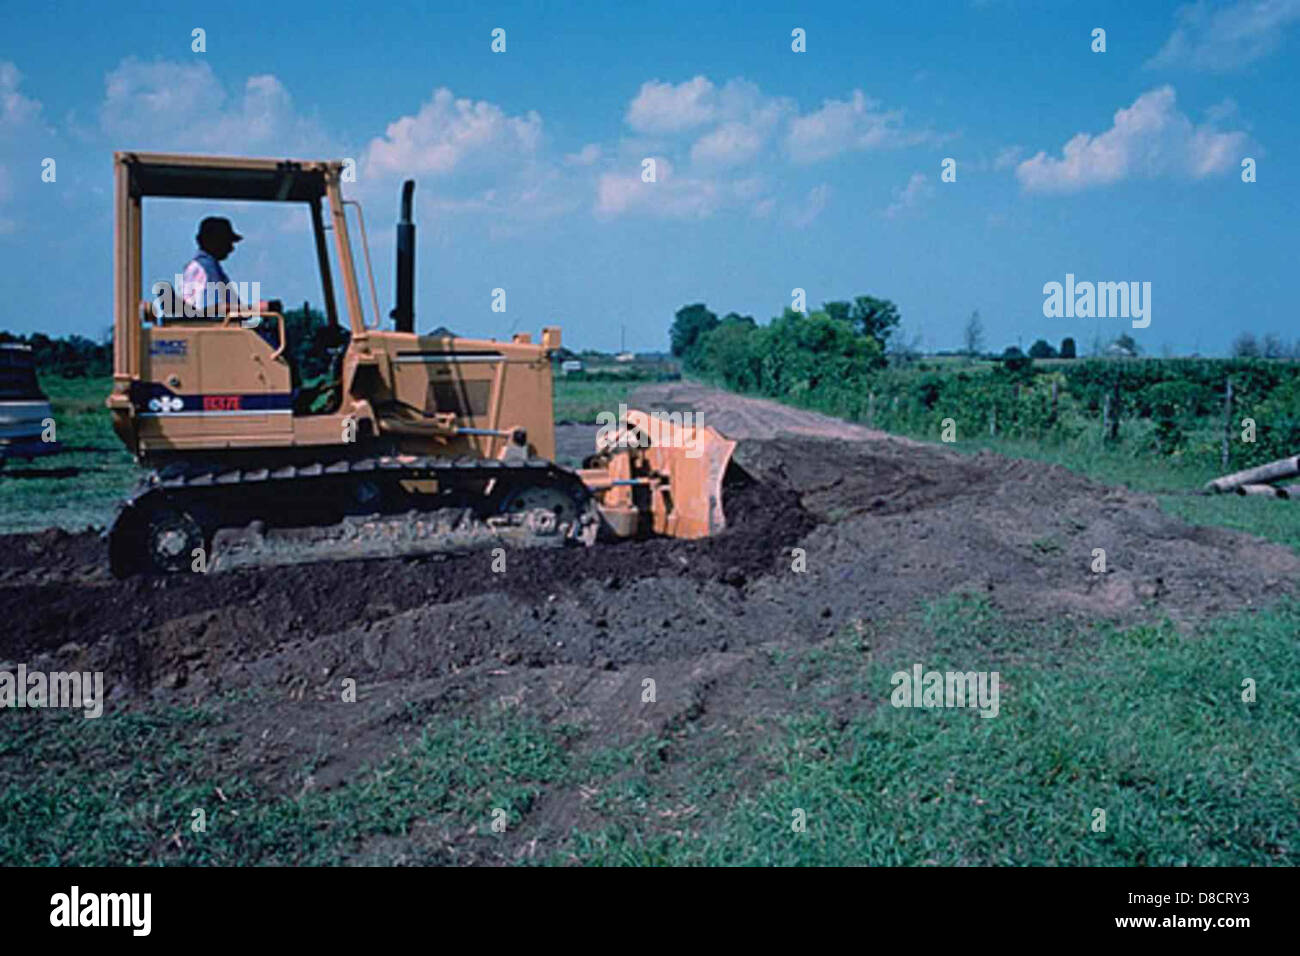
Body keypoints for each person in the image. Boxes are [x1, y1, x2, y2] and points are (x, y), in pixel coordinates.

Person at [181, 216, 244, 316]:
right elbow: (206, 310)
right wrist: (253, 309)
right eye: (227, 242)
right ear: (216, 241)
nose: (231, 248)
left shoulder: (211, 268)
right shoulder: (201, 269)